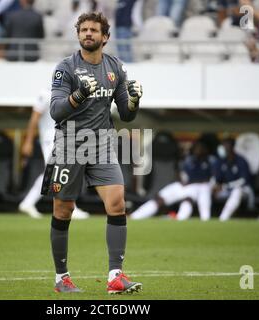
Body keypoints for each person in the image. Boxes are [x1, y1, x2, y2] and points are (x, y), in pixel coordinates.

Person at [41, 12, 143, 294]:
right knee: (64, 210)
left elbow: (126, 114)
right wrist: (78, 96)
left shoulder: (116, 67)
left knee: (117, 203)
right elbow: (56, 110)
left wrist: (133, 101)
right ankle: (62, 279)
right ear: (78, 35)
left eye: (93, 30)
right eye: (83, 30)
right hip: (70, 144)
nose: (88, 34)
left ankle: (115, 276)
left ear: (105, 37)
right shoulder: (66, 68)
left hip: (101, 145)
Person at [18, 87, 90, 219]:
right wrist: (28, 141)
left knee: (52, 173)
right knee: (59, 172)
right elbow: (34, 118)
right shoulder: (46, 94)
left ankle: (28, 203)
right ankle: (68, 206)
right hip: (50, 139)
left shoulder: (72, 94)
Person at [130, 140, 214, 221]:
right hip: (182, 185)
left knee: (189, 200)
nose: (198, 150)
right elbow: (180, 174)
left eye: (200, 148)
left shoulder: (210, 161)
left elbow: (211, 179)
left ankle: (180, 218)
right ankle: (134, 217)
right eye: (196, 147)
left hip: (200, 187)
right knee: (159, 199)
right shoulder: (187, 159)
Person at [214, 137, 254, 221]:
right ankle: (205, 218)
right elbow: (217, 179)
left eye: (226, 145)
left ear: (232, 146)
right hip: (226, 190)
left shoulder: (241, 160)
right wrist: (215, 186)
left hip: (244, 190)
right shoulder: (221, 161)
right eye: (223, 145)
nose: (224, 147)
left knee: (237, 191)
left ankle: (223, 219)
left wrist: (225, 186)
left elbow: (244, 181)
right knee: (206, 189)